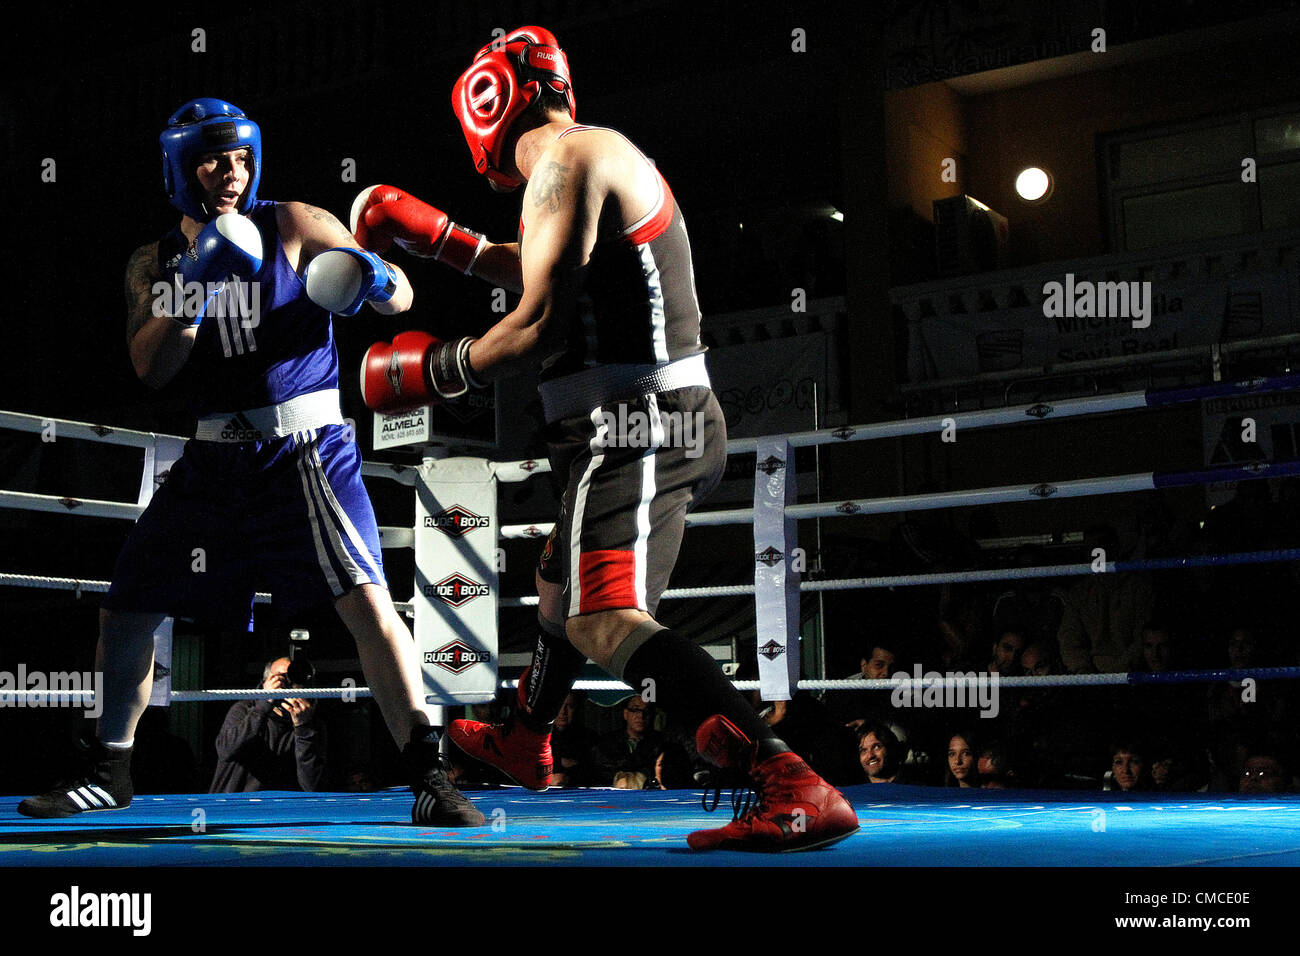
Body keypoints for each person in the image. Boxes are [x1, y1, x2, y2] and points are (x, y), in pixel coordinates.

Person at [352, 27, 858, 851]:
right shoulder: (586, 156)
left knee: (601, 617)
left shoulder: (568, 161)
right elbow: (552, 269)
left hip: (636, 424)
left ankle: (787, 780)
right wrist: (444, 243)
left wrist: (433, 370)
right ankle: (525, 738)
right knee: (562, 583)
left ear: (485, 106)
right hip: (640, 421)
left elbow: (539, 320)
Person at [17, 98, 482, 827]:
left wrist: (369, 276)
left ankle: (429, 775)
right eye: (211, 158)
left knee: (365, 602)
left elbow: (402, 293)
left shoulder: (294, 220)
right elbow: (152, 368)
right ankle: (109, 770)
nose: (230, 174)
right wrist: (196, 288)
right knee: (128, 604)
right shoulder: (157, 260)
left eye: (239, 158)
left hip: (305, 453)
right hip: (211, 460)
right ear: (179, 167)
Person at [210, 657, 327, 792]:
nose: (290, 684)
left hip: (278, 809)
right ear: (266, 683)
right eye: (281, 678)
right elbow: (226, 750)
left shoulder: (312, 725)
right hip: (234, 806)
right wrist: (263, 705)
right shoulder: (244, 710)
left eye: (296, 678)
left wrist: (303, 729)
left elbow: (312, 786)